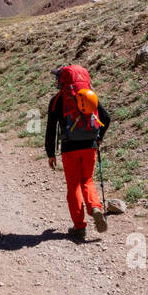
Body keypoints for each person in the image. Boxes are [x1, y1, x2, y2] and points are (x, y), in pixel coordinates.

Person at [44, 64, 111, 240]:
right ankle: (95, 207)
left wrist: (50, 153)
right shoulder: (90, 96)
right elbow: (106, 117)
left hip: (69, 148)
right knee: (87, 180)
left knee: (73, 185)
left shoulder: (57, 100)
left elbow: (51, 129)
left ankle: (79, 227)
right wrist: (99, 138)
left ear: (62, 81)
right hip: (89, 146)